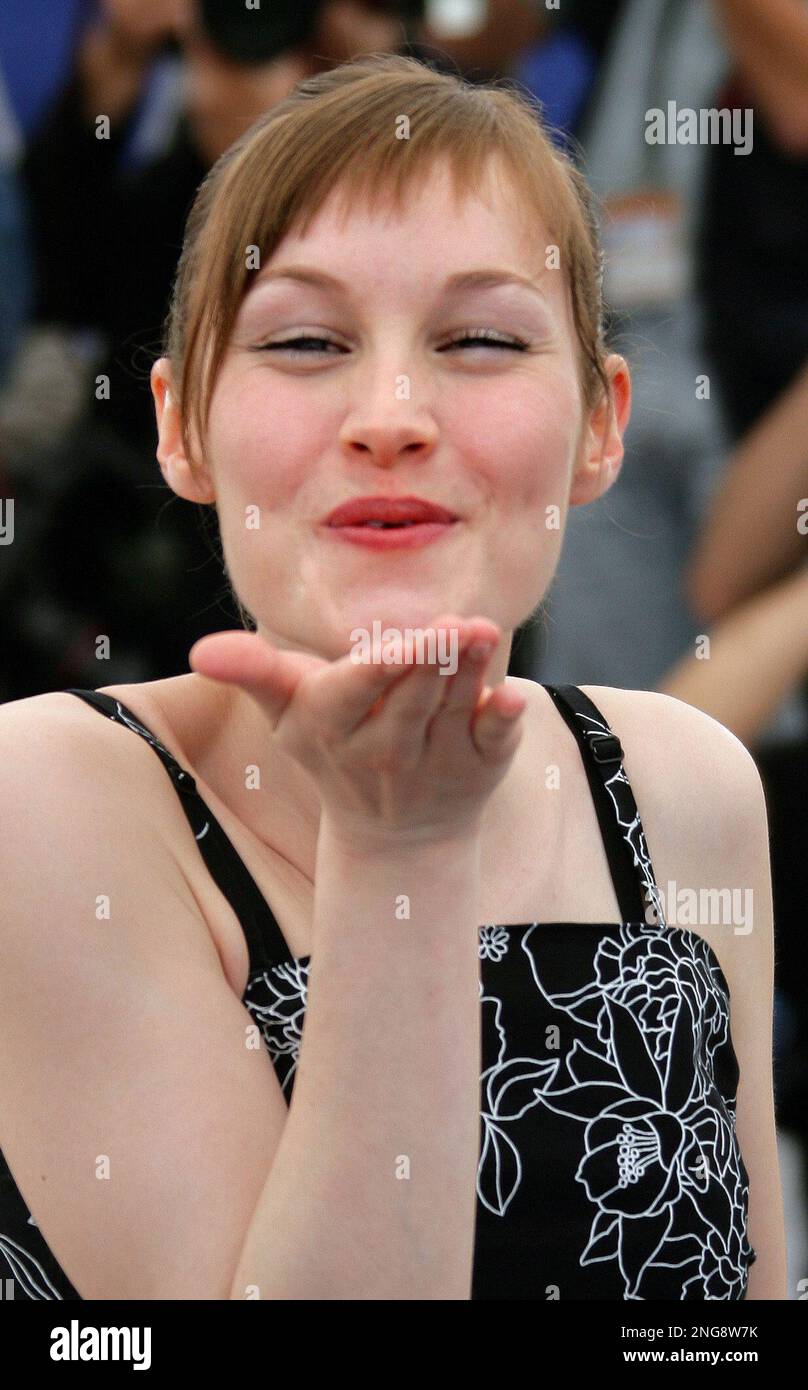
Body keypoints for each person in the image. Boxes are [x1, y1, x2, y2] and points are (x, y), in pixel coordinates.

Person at [0, 53, 784, 1300]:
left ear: (600, 424)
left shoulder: (685, 785)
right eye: (305, 341)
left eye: (480, 340)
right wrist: (398, 847)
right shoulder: (50, 796)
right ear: (179, 423)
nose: (391, 414)